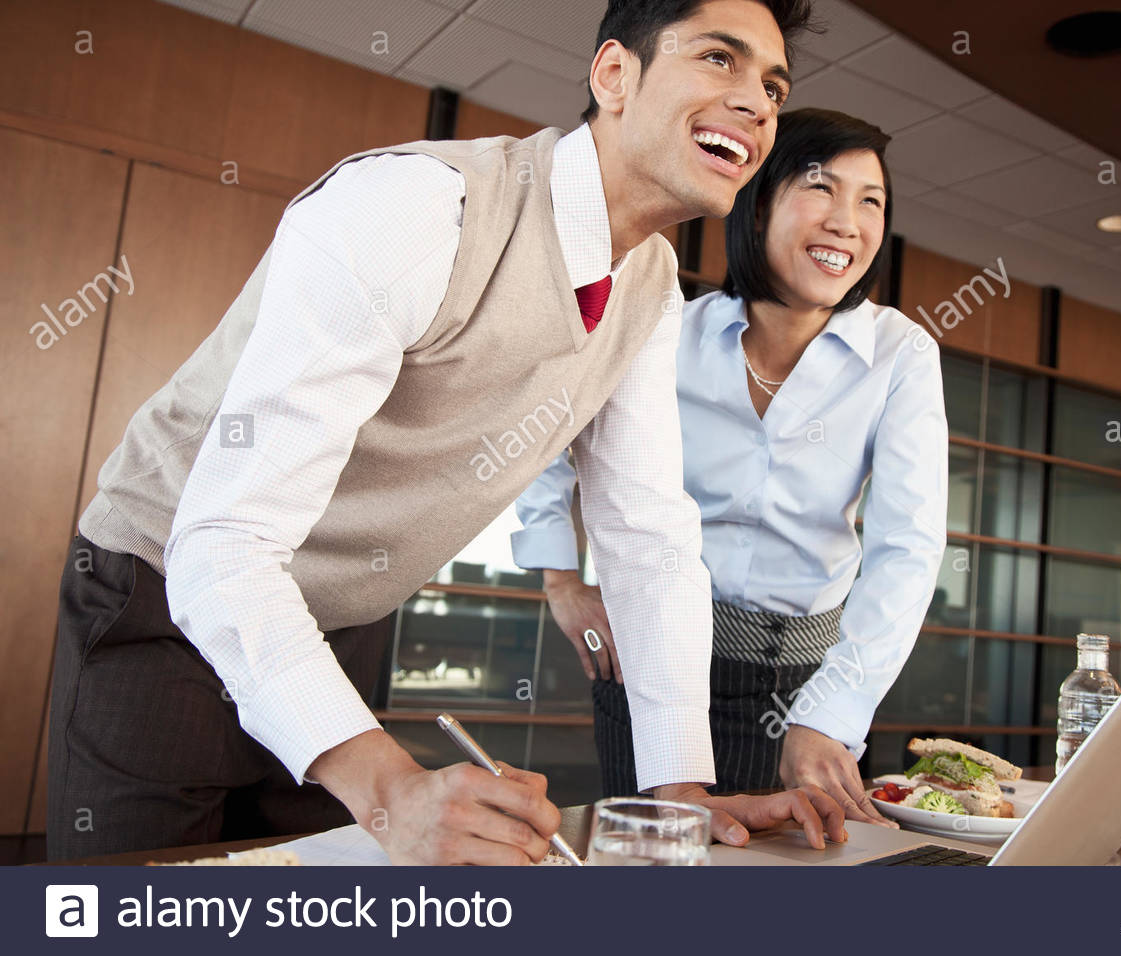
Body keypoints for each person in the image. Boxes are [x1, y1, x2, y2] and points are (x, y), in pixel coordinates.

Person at [46, 0, 851, 865]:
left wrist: (682, 797)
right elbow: (224, 541)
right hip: (166, 585)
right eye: (720, 60)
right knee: (133, 907)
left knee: (305, 901)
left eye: (773, 85)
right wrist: (391, 792)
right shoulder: (417, 205)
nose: (759, 103)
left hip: (337, 620)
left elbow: (647, 537)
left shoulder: (651, 283)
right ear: (614, 75)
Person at [513, 107, 949, 824]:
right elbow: (547, 434)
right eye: (822, 189)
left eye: (871, 201)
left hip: (807, 685)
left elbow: (908, 547)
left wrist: (832, 714)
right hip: (651, 657)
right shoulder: (667, 327)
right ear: (756, 205)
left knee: (785, 884)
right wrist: (561, 580)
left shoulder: (900, 355)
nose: (849, 221)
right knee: (656, 863)